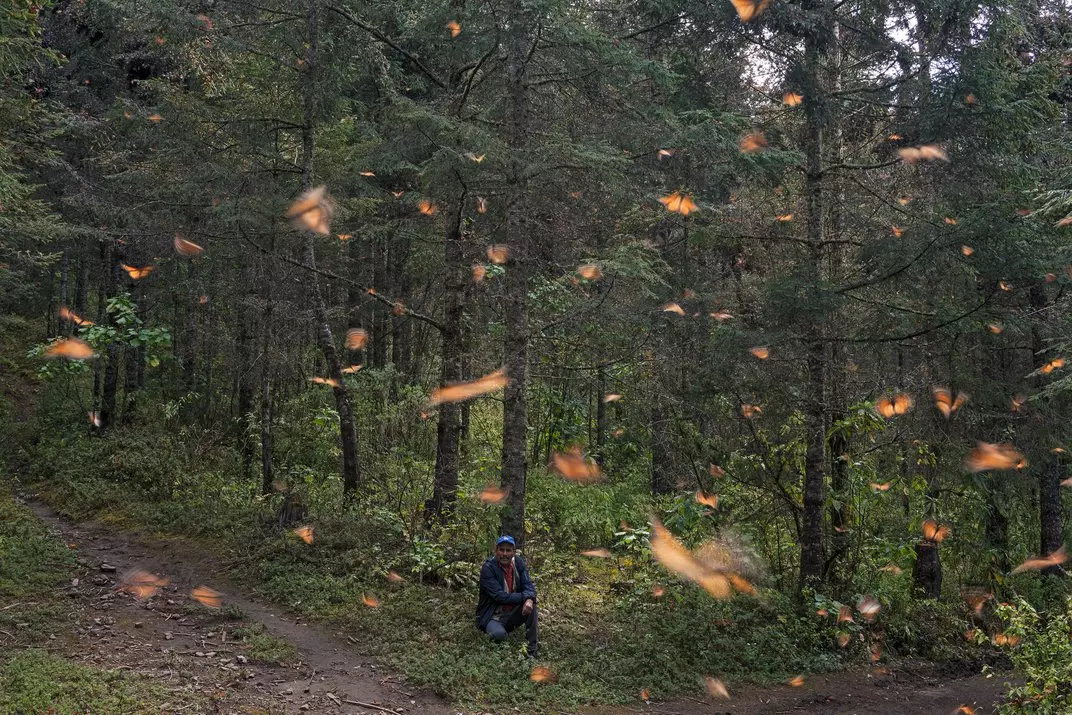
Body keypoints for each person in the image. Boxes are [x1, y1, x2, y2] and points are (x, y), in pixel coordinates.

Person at [475, 535, 538, 658]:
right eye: (501, 550)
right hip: (492, 616)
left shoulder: (518, 563)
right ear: (496, 550)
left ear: (513, 552)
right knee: (499, 635)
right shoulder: (488, 568)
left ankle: (532, 650)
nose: (504, 554)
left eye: (508, 550)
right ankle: (497, 631)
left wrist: (529, 599)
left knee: (532, 605)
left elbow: (529, 585)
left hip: (511, 613)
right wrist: (526, 596)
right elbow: (500, 596)